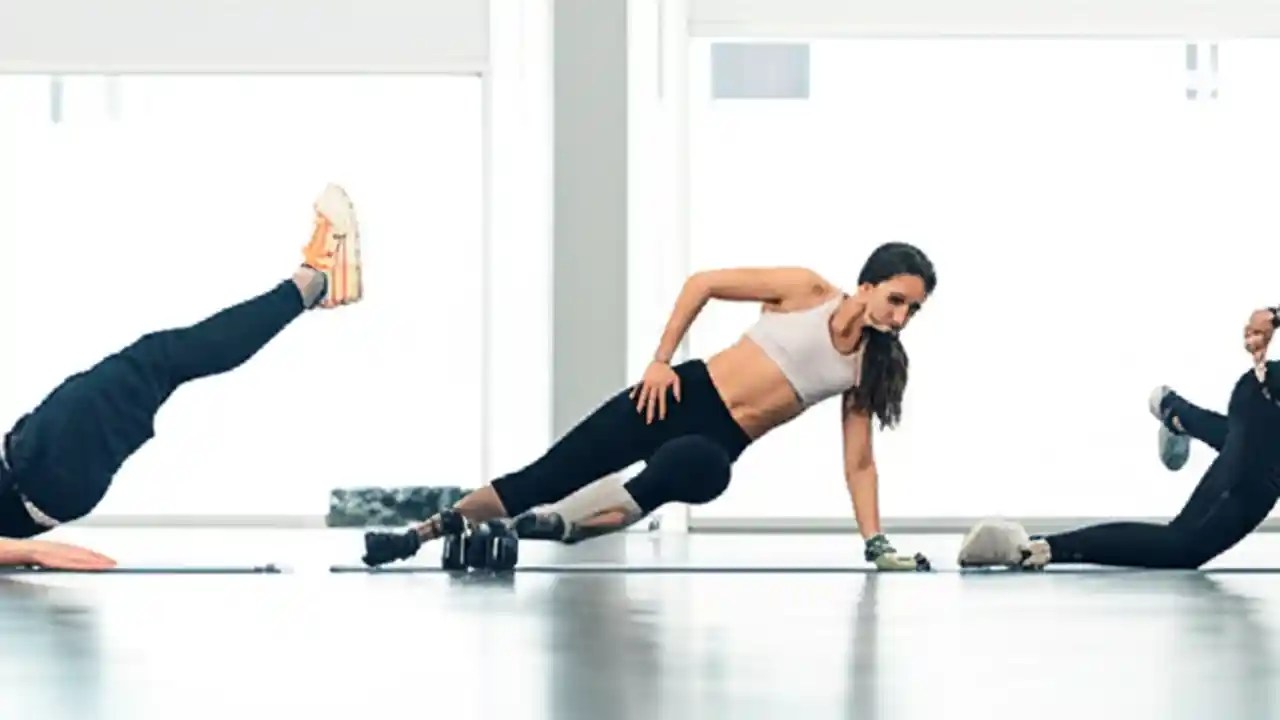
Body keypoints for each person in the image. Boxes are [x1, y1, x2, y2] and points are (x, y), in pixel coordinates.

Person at [363, 242, 938, 570]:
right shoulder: (806, 290)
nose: (900, 317)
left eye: (912, 310)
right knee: (545, 475)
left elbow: (859, 461)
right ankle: (421, 535)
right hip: (678, 394)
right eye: (896, 300)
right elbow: (703, 283)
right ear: (866, 286)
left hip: (716, 444)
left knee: (694, 470)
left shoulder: (867, 367)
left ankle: (543, 531)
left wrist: (876, 543)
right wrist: (661, 360)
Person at [0, 184, 363, 570]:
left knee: (159, 360)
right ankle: (313, 281)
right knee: (158, 359)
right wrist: (31, 552)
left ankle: (312, 283)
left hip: (36, 466)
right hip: (40, 473)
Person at [958, 306, 1280, 570]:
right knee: (1183, 546)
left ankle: (1176, 412)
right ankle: (1033, 549)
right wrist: (1268, 322)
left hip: (1265, 416)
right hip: (1267, 404)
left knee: (1253, 450)